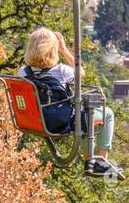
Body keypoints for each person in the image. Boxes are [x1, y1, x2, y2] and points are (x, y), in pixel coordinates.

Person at [17, 26, 116, 174]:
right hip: (60, 121)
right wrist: (64, 50)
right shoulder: (61, 70)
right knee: (105, 114)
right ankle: (100, 161)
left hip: (36, 120)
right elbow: (81, 72)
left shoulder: (23, 72)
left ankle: (92, 161)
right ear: (52, 50)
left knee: (82, 118)